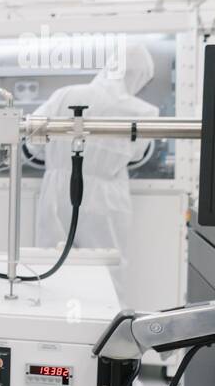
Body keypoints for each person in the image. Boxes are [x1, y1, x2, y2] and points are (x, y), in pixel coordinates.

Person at [30, 44, 159, 301]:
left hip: (56, 190)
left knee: (50, 268)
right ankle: (104, 334)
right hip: (106, 199)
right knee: (107, 274)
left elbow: (32, 141)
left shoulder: (65, 94)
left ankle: (55, 334)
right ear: (138, 76)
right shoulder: (142, 111)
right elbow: (137, 157)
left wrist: (59, 157)